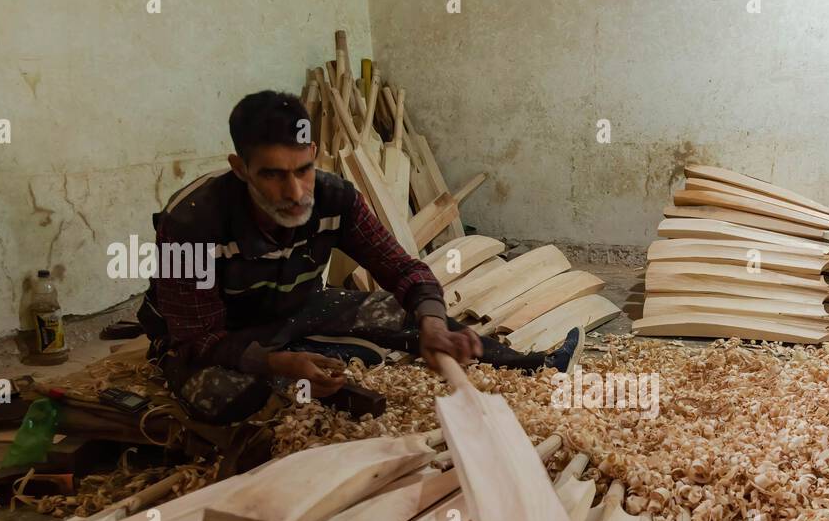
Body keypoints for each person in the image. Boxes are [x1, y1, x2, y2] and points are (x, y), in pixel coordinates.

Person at [137, 90, 580, 424]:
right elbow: (198, 335)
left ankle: (528, 365)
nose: (294, 193)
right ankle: (293, 364)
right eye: (272, 175)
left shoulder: (334, 199)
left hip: (298, 309)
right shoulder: (191, 222)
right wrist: (274, 363)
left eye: (302, 170)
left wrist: (430, 321)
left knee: (411, 313)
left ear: (314, 155)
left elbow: (403, 269)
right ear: (240, 168)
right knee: (229, 397)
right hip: (222, 333)